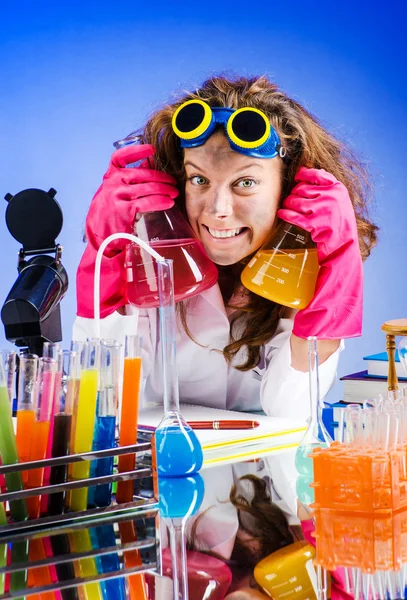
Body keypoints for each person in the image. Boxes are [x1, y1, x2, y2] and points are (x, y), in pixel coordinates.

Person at [73, 74, 378, 423]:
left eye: (245, 182)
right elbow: (100, 403)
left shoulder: (303, 267)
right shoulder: (150, 261)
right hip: (159, 473)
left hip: (261, 476)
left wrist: (338, 274)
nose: (218, 209)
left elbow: (292, 410)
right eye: (199, 179)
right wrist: (105, 256)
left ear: (289, 187)